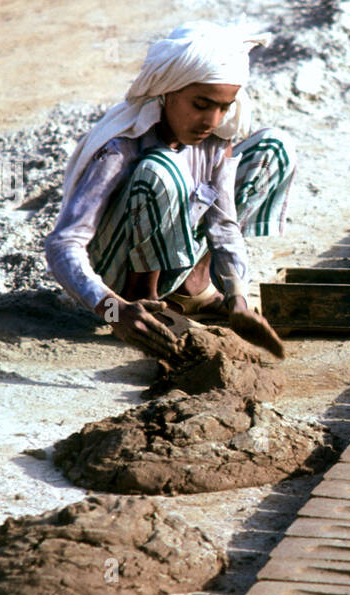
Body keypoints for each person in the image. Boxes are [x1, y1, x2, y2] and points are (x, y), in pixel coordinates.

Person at [45, 21, 293, 359]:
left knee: (274, 148)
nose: (213, 120)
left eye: (224, 107)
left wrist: (238, 298)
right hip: (116, 276)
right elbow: (63, 244)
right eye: (201, 104)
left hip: (177, 256)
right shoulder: (122, 149)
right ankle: (145, 305)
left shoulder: (212, 141)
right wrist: (113, 311)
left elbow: (223, 223)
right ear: (167, 93)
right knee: (160, 169)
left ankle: (194, 291)